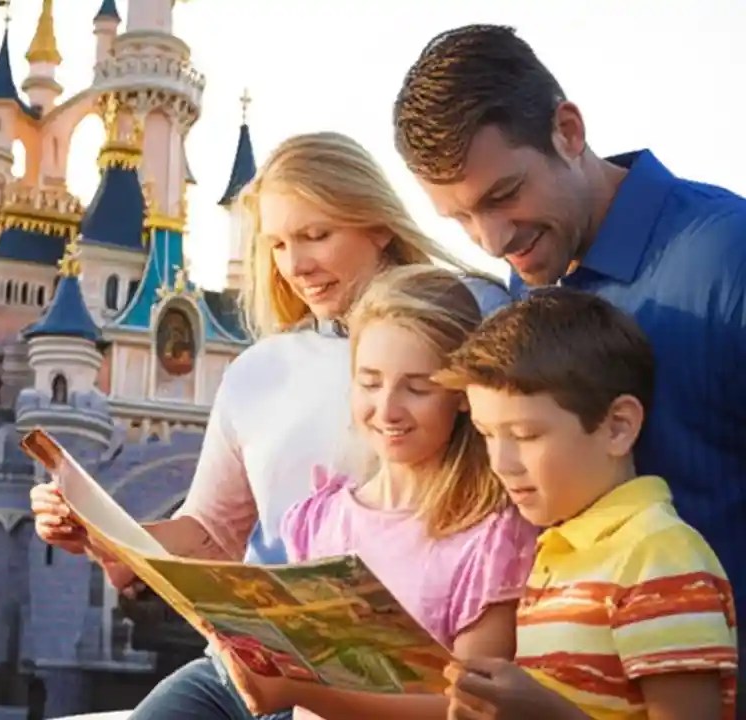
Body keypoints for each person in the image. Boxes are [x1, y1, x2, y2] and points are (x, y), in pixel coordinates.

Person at [30, 132, 508, 720]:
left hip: (386, 675)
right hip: (251, 665)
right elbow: (211, 531)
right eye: (279, 244)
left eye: (317, 236)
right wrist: (107, 533)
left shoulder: (474, 315)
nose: (297, 265)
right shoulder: (259, 370)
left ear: (378, 224)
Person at [392, 30, 746, 697]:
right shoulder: (526, 293)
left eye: (504, 195)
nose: (492, 240)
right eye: (461, 219)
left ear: (568, 129)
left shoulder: (730, 258)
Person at [211, 265, 538, 720]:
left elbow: (470, 708)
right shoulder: (317, 520)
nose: (387, 409)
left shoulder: (489, 538)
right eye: (369, 382)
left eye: (418, 388)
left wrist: (301, 694)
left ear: (462, 394)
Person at [434, 290, 738, 719]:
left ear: (618, 427)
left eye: (525, 435)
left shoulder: (658, 557)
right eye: (486, 434)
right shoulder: (559, 549)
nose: (500, 463)